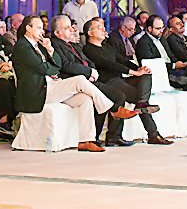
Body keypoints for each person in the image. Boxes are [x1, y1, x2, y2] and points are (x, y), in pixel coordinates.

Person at [13, 14, 121, 152]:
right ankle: (112, 108)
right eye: (39, 28)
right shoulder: (22, 46)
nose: (42, 32)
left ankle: (86, 140)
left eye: (42, 28)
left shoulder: (40, 45)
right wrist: (51, 70)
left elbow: (56, 65)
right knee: (80, 80)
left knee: (85, 99)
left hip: (50, 85)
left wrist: (50, 50)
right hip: (37, 91)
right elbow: (43, 68)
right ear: (28, 28)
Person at [49, 15, 138, 145]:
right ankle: (97, 135)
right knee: (108, 97)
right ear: (57, 32)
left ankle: (114, 136)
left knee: (117, 96)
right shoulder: (55, 44)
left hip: (87, 79)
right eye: (67, 28)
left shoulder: (73, 45)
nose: (72, 30)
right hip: (72, 81)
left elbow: (88, 62)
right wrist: (88, 72)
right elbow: (66, 66)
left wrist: (91, 71)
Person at [82, 17, 168, 145]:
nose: (103, 29)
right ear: (90, 33)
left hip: (119, 79)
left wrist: (139, 68)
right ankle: (151, 132)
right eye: (99, 28)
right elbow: (108, 64)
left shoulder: (107, 47)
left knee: (145, 76)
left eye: (103, 27)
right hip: (108, 82)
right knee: (139, 98)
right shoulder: (88, 49)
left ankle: (143, 107)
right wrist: (133, 72)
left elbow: (122, 60)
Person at [134, 15, 187, 89]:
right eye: (158, 28)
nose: (162, 31)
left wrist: (178, 64)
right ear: (149, 28)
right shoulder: (143, 43)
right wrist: (173, 65)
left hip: (172, 69)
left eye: (162, 27)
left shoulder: (162, 38)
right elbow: (153, 65)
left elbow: (170, 55)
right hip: (161, 73)